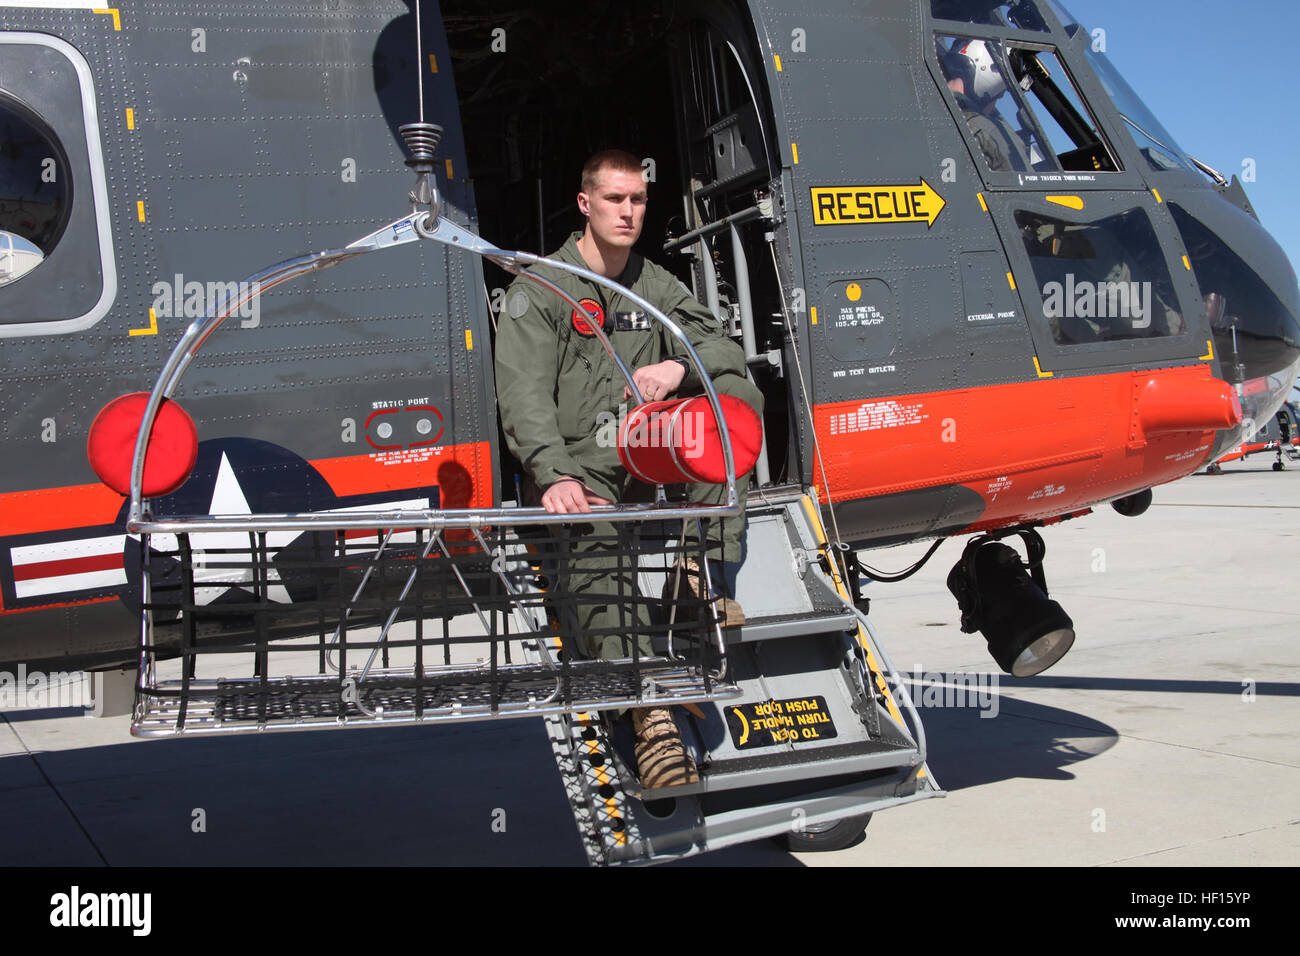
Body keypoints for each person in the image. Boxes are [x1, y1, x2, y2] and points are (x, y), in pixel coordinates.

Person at [494, 149, 763, 789]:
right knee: (596, 546)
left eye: (638, 200)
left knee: (733, 396)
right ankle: (650, 712)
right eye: (615, 200)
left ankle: (700, 567)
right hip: (576, 459)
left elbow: (720, 344)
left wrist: (678, 367)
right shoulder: (541, 288)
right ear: (585, 204)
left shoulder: (653, 282)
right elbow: (523, 395)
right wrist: (553, 474)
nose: (629, 212)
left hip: (642, 444)